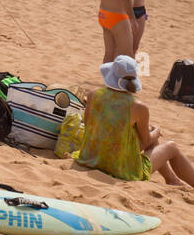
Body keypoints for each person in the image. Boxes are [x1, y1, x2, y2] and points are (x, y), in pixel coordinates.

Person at [74, 55, 194, 186]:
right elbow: (147, 140)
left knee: (150, 138)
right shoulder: (138, 107)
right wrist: (157, 130)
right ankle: (176, 180)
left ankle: (172, 179)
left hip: (90, 156)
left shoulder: (93, 94)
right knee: (172, 146)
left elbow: (88, 125)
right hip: (118, 168)